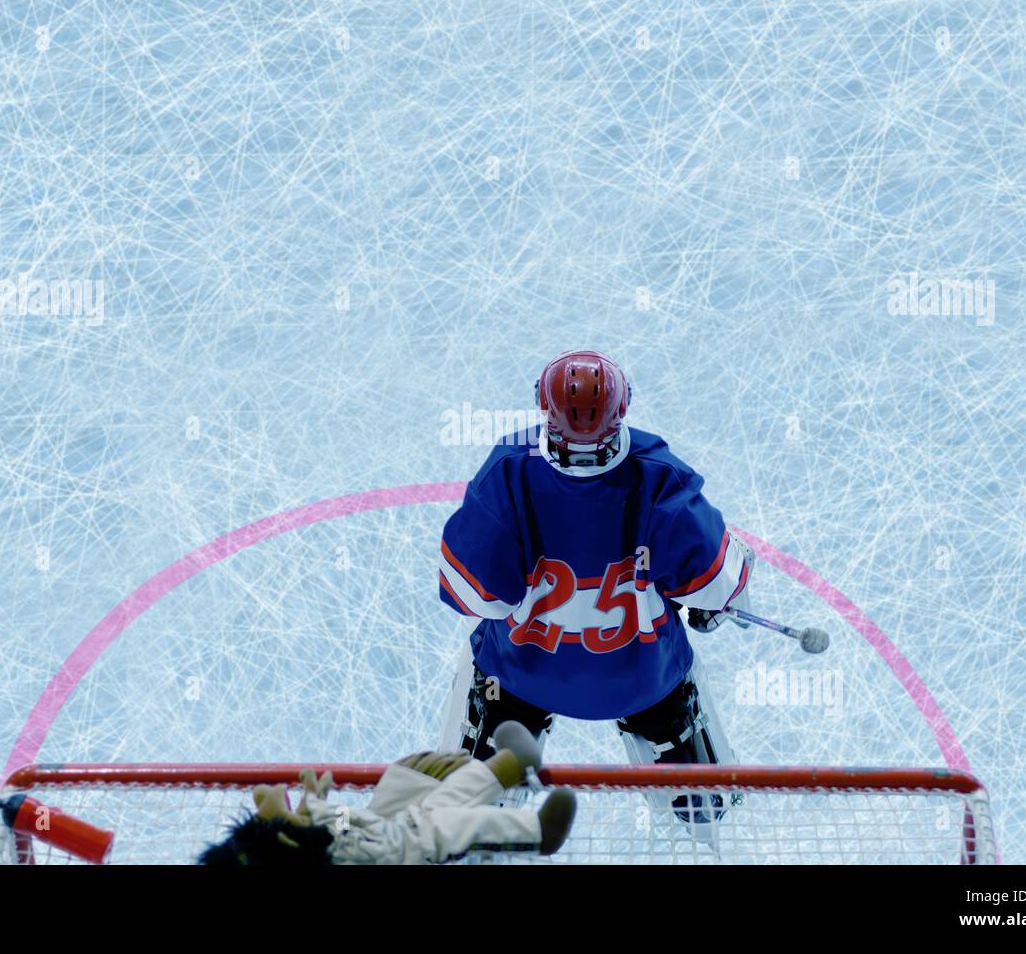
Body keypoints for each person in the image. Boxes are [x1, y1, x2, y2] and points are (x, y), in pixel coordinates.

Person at [436, 350, 754, 821]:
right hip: (641, 682)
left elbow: (474, 596)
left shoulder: (508, 470)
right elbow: (721, 588)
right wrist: (713, 605)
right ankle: (698, 816)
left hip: (524, 677)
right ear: (623, 407)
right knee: (706, 817)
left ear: (543, 409)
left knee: (466, 820)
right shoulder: (660, 473)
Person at [198, 722, 576, 865]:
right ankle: (537, 834)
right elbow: (372, 841)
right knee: (448, 822)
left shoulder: (320, 835)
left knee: (433, 793)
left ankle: (511, 763)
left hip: (396, 830)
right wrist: (325, 815)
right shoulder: (340, 854)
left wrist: (318, 806)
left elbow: (344, 822)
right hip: (408, 849)